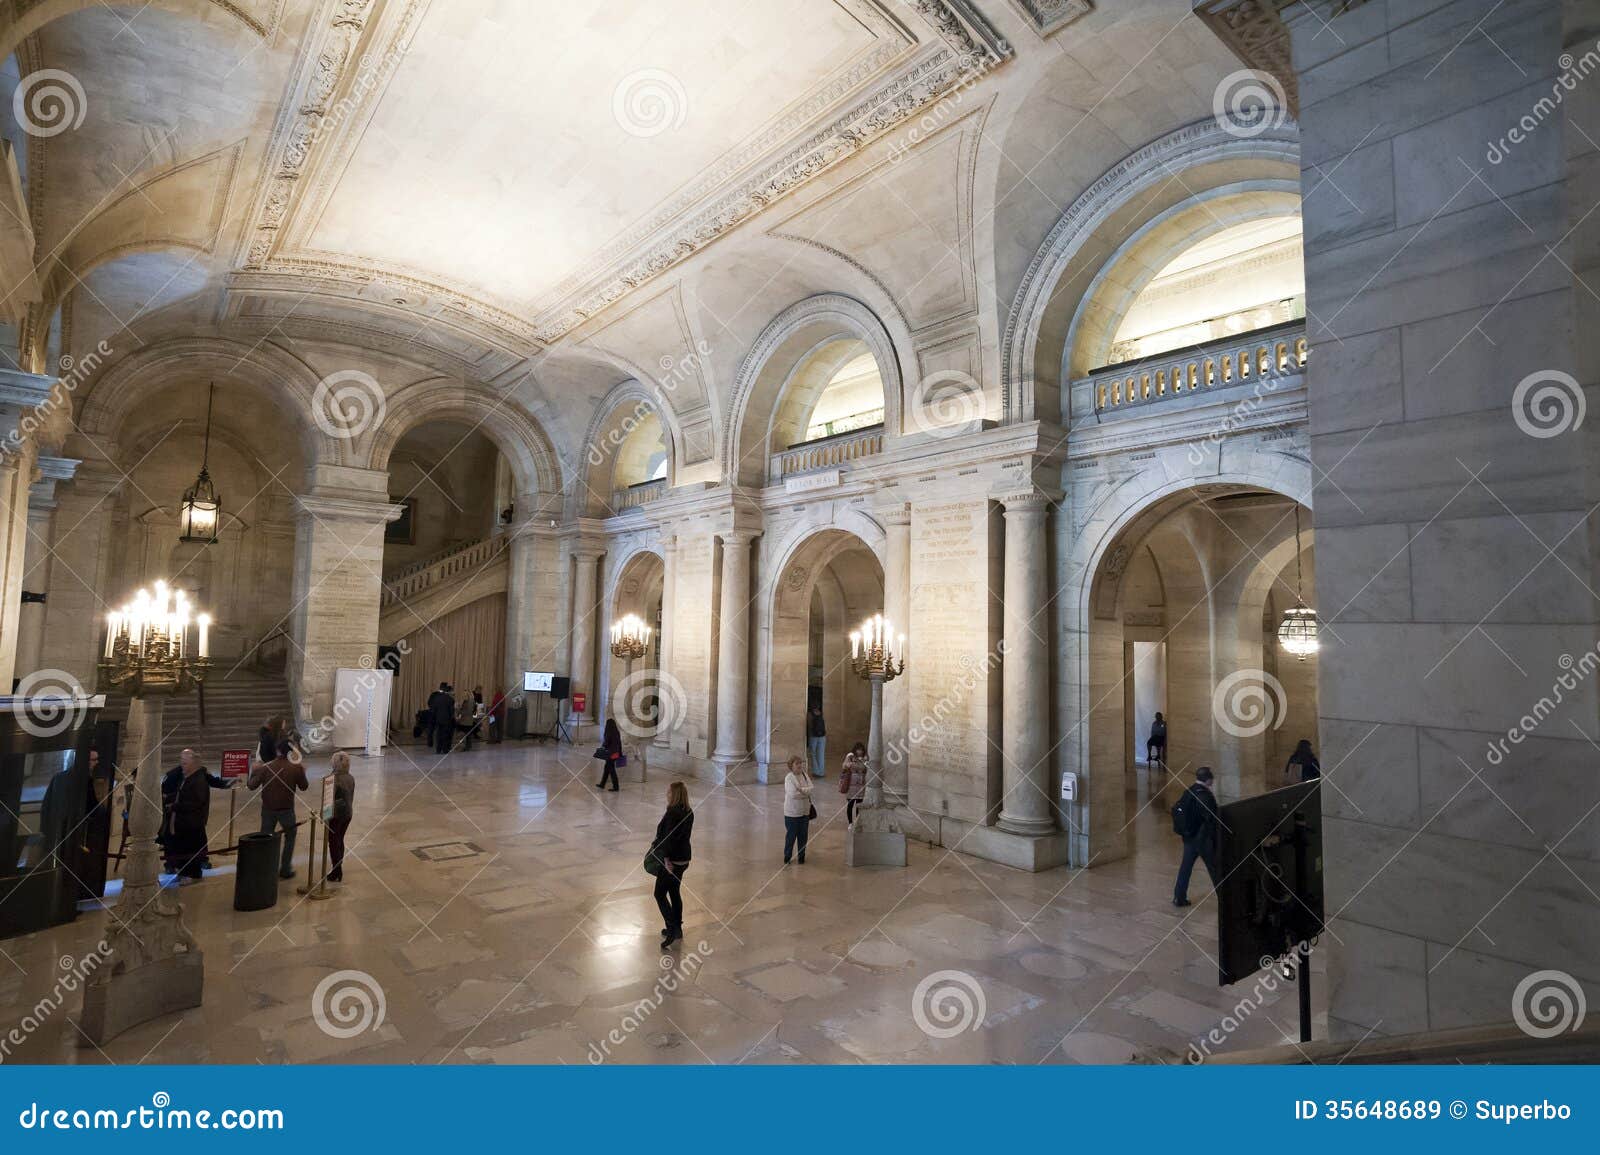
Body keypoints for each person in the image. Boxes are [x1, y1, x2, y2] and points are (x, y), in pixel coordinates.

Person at [159, 748, 231, 882]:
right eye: (181, 761)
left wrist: (174, 806)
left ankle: (193, 870)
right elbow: (173, 791)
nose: (182, 765)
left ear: (193, 764)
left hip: (191, 819)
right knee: (180, 843)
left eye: (185, 762)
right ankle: (175, 866)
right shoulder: (178, 774)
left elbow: (195, 801)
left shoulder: (199, 777)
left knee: (192, 844)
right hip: (182, 819)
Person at [249, 739, 309, 879]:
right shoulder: (296, 768)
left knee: (265, 840)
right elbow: (304, 787)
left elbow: (251, 786)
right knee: (290, 838)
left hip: (268, 810)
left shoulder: (266, 768)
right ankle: (285, 868)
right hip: (287, 810)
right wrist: (303, 772)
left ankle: (266, 868)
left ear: (277, 751)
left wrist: (253, 772)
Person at [1171, 766, 1222, 908]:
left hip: (1189, 838)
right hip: (1203, 840)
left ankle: (1178, 897)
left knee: (1185, 868)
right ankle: (1225, 900)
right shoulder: (1205, 795)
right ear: (1208, 779)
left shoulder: (1189, 791)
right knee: (1215, 869)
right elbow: (1211, 819)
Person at [651, 780, 693, 948]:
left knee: (659, 894)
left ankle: (671, 927)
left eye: (668, 792)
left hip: (672, 860)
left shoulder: (672, 813)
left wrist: (667, 860)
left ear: (673, 794)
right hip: (684, 858)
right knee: (674, 892)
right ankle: (678, 929)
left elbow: (668, 839)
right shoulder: (688, 811)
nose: (666, 794)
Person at [326, 751, 355, 884]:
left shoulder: (333, 779)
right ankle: (338, 867)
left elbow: (328, 802)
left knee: (333, 842)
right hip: (348, 813)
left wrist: (325, 817)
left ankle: (337, 870)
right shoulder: (350, 777)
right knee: (339, 840)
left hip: (336, 816)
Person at [783, 754, 814, 865]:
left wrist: (801, 790)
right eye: (797, 763)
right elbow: (793, 794)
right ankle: (787, 857)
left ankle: (801, 856)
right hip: (792, 813)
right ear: (791, 766)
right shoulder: (789, 778)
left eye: (801, 763)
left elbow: (811, 788)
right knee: (791, 836)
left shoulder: (804, 775)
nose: (800, 765)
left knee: (803, 836)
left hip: (805, 812)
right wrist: (805, 792)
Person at [839, 742, 868, 825]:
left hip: (861, 786)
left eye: (861, 750)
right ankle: (850, 823)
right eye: (858, 750)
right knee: (850, 804)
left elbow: (866, 770)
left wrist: (862, 764)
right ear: (855, 750)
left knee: (859, 805)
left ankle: (858, 822)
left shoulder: (865, 758)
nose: (860, 752)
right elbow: (844, 766)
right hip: (851, 785)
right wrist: (852, 764)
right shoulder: (850, 756)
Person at [596, 717, 623, 791]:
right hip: (616, 753)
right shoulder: (617, 732)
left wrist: (602, 747)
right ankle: (602, 784)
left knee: (611, 770)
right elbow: (619, 744)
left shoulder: (609, 732)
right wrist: (620, 753)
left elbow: (606, 743)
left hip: (610, 754)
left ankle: (616, 787)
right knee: (607, 769)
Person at [428, 682, 454, 754]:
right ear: (446, 690)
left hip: (438, 719)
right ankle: (445, 750)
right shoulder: (450, 699)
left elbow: (433, 709)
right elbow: (452, 712)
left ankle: (438, 749)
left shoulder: (436, 698)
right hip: (447, 720)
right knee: (446, 734)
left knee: (438, 734)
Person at [806, 703, 826, 778]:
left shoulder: (809, 714)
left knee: (813, 754)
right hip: (822, 736)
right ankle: (821, 772)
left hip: (813, 736)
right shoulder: (820, 713)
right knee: (821, 754)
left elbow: (809, 725)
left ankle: (816, 772)